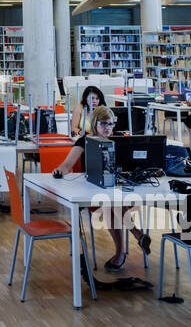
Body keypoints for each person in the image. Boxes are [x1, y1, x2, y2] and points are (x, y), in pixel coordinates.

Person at [54, 106, 150, 271]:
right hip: (91, 192)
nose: (108, 128)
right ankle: (136, 235)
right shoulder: (84, 140)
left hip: (119, 190)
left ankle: (121, 253)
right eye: (104, 124)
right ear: (95, 124)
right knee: (111, 204)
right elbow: (67, 164)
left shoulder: (120, 141)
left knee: (112, 203)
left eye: (111, 124)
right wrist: (59, 171)